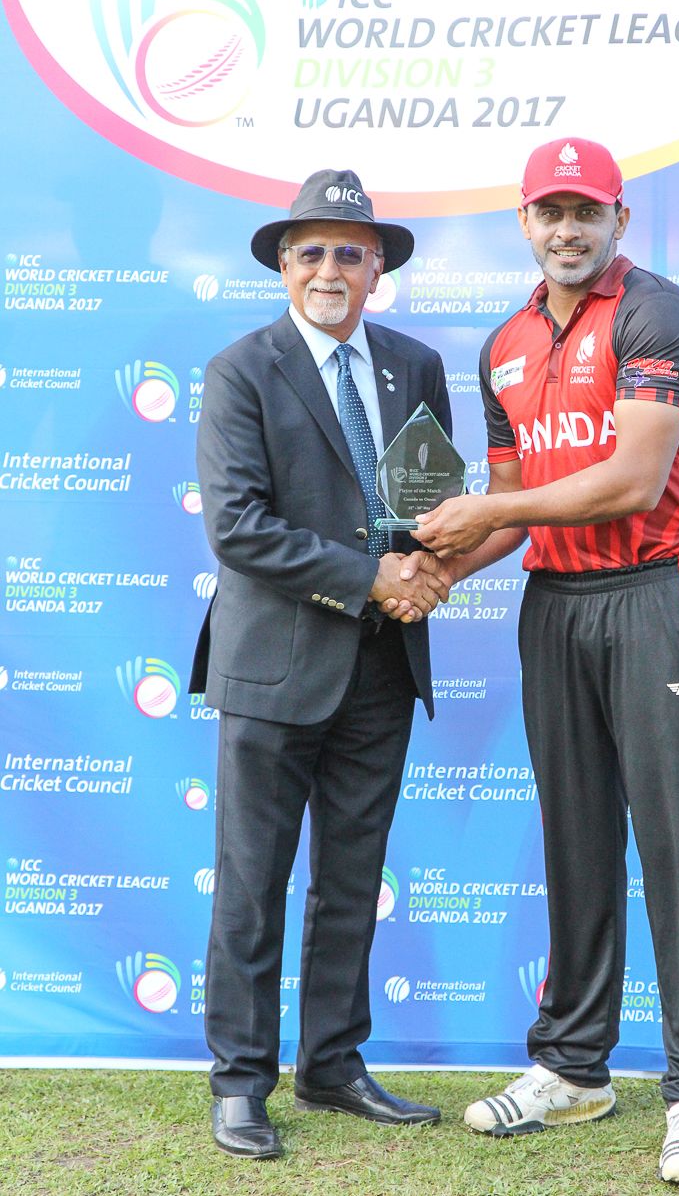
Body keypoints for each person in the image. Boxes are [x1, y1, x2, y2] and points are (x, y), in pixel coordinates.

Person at [411, 138, 679, 1185]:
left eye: (585, 211)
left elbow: (633, 480)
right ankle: (574, 1066)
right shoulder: (504, 341)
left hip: (654, 593)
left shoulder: (657, 312)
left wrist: (490, 507)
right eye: (549, 212)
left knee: (676, 846)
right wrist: (440, 571)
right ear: (523, 222)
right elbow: (510, 507)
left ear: (619, 221)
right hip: (553, 600)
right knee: (575, 838)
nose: (567, 229)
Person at [190, 168, 453, 1159]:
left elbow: (430, 504)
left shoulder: (416, 366)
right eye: (312, 253)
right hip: (272, 668)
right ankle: (240, 1081)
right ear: (285, 269)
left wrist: (426, 569)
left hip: (384, 668)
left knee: (351, 879)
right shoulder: (241, 370)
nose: (331, 268)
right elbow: (239, 529)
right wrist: (373, 577)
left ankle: (333, 1064)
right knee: (252, 882)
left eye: (350, 250)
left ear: (378, 265)